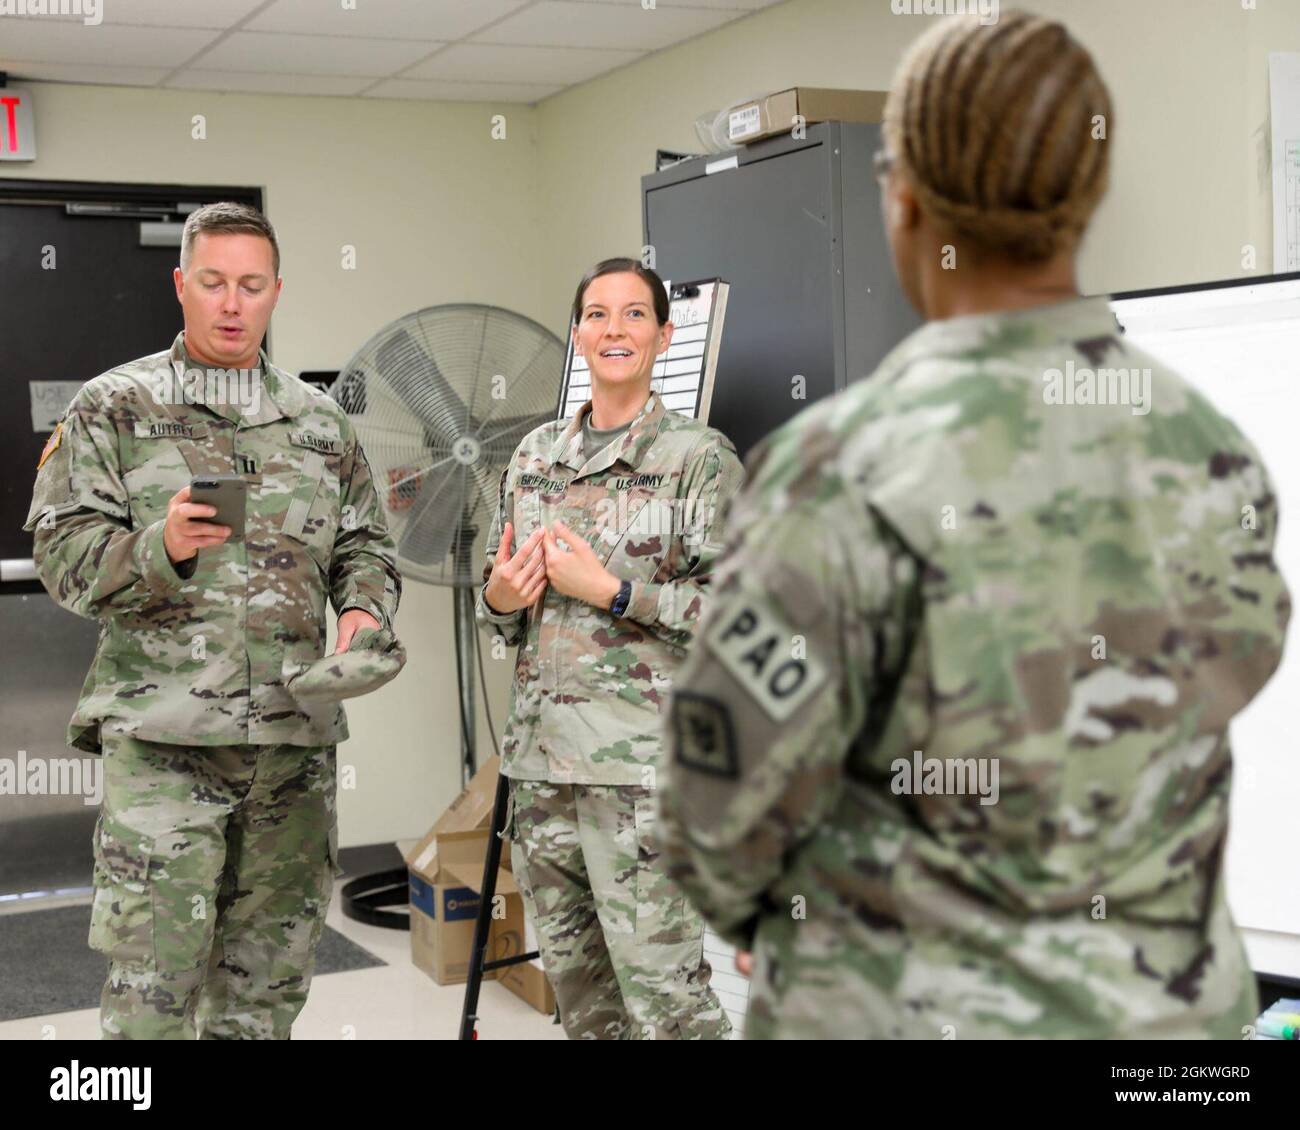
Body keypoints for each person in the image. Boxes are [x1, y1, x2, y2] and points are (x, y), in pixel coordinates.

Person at [656, 11, 1291, 1039]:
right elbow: (1224, 683)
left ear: (902, 198)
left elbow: (713, 799)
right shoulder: (1211, 446)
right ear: (1085, 198)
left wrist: (777, 910)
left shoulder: (839, 467)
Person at [25, 201, 402, 1039]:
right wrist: (159, 546)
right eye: (214, 283)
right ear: (180, 285)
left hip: (291, 748)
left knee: (267, 988)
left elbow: (364, 546)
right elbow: (64, 562)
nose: (233, 304)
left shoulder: (320, 420)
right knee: (154, 988)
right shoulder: (111, 408)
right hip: (164, 745)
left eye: (252, 285)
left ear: (276, 292)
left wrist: (364, 612)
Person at [476, 258, 743, 1039]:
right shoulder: (533, 457)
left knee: (669, 1007)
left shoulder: (700, 460)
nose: (613, 330)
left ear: (664, 335)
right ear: (577, 334)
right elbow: (501, 610)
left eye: (633, 316)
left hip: (643, 780)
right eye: (597, 315)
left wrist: (616, 593)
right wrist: (499, 600)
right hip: (541, 769)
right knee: (583, 1000)